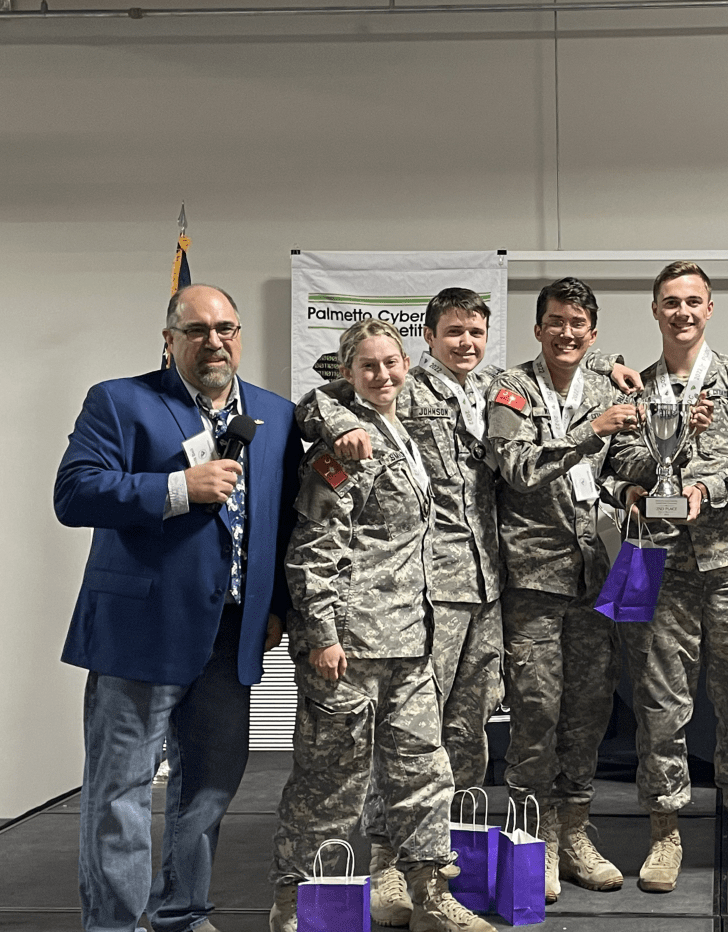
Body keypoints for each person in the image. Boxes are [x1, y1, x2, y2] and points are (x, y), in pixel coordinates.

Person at [301, 288, 642, 917]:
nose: (467, 343)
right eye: (454, 331)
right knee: (409, 736)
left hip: (489, 582)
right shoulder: (404, 384)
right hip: (427, 590)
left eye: (477, 332)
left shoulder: (489, 390)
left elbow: (566, 383)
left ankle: (437, 862)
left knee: (467, 730)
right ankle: (385, 864)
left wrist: (612, 366)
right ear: (428, 336)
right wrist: (341, 423)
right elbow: (323, 397)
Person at [54, 284, 302, 932]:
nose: (213, 340)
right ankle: (113, 924)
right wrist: (176, 487)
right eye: (196, 330)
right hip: (141, 632)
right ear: (170, 341)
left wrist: (275, 607)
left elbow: (283, 523)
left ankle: (183, 914)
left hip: (232, 639)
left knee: (209, 791)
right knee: (120, 794)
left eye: (225, 327)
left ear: (239, 335)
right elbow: (74, 493)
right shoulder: (120, 401)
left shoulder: (275, 415)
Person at [269, 319, 492, 932]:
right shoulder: (338, 452)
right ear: (349, 374)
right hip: (351, 646)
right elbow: (314, 548)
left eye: (392, 362)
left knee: (424, 772)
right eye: (369, 366)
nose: (385, 375)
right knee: (330, 784)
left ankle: (430, 898)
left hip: (413, 638)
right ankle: (294, 905)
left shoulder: (402, 430)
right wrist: (321, 635)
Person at [608, 260, 728, 893]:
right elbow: (616, 461)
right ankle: (665, 830)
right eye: (670, 302)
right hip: (657, 564)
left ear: (709, 308)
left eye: (693, 301)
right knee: (661, 705)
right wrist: (635, 482)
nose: (682, 312)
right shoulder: (634, 389)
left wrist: (708, 486)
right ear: (655, 311)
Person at [485, 278, 639, 903]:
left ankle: (574, 832)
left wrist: (651, 455)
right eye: (555, 321)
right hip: (534, 580)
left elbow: (629, 461)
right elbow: (517, 470)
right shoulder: (510, 390)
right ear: (538, 327)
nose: (566, 332)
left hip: (599, 575)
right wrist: (591, 428)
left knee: (589, 710)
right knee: (535, 712)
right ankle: (534, 839)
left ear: (593, 331)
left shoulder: (608, 381)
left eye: (578, 323)